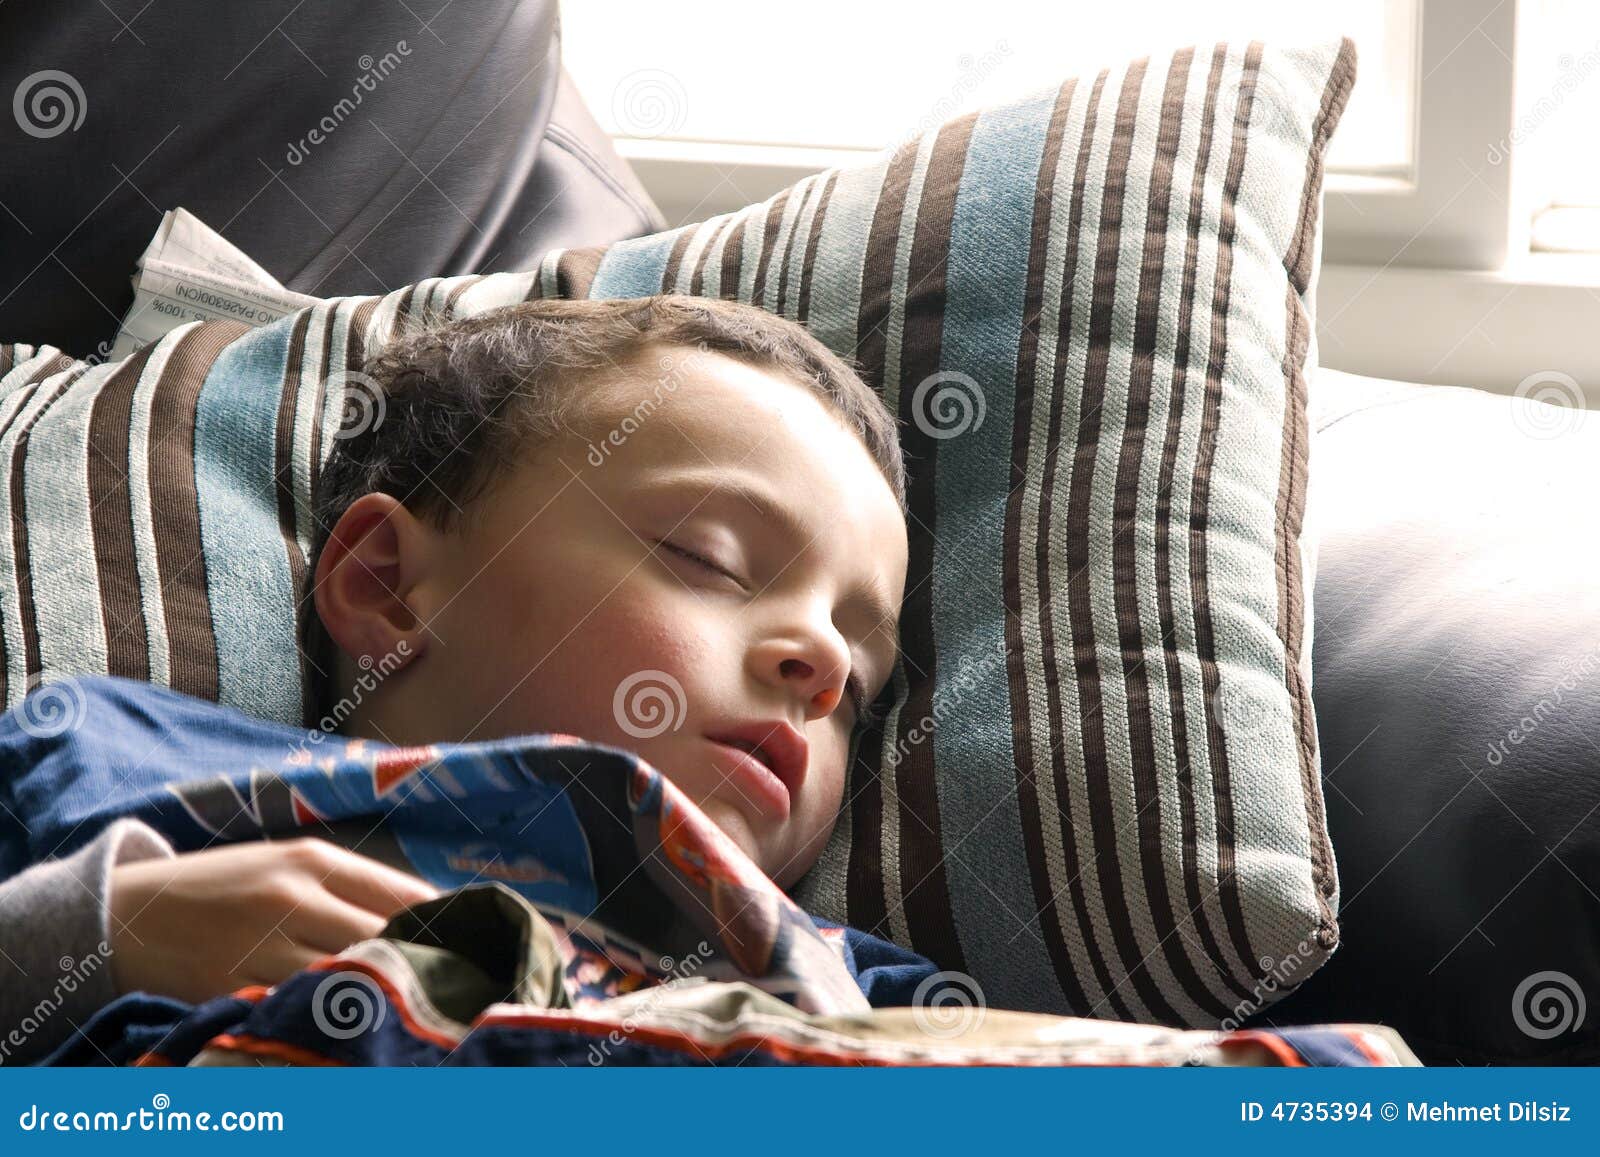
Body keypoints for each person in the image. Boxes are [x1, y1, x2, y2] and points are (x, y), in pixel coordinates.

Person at [0, 295, 931, 1064]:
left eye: (858, 686)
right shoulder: (113, 754)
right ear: (388, 586)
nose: (819, 663)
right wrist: (93, 933)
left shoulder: (839, 977)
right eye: (710, 557)